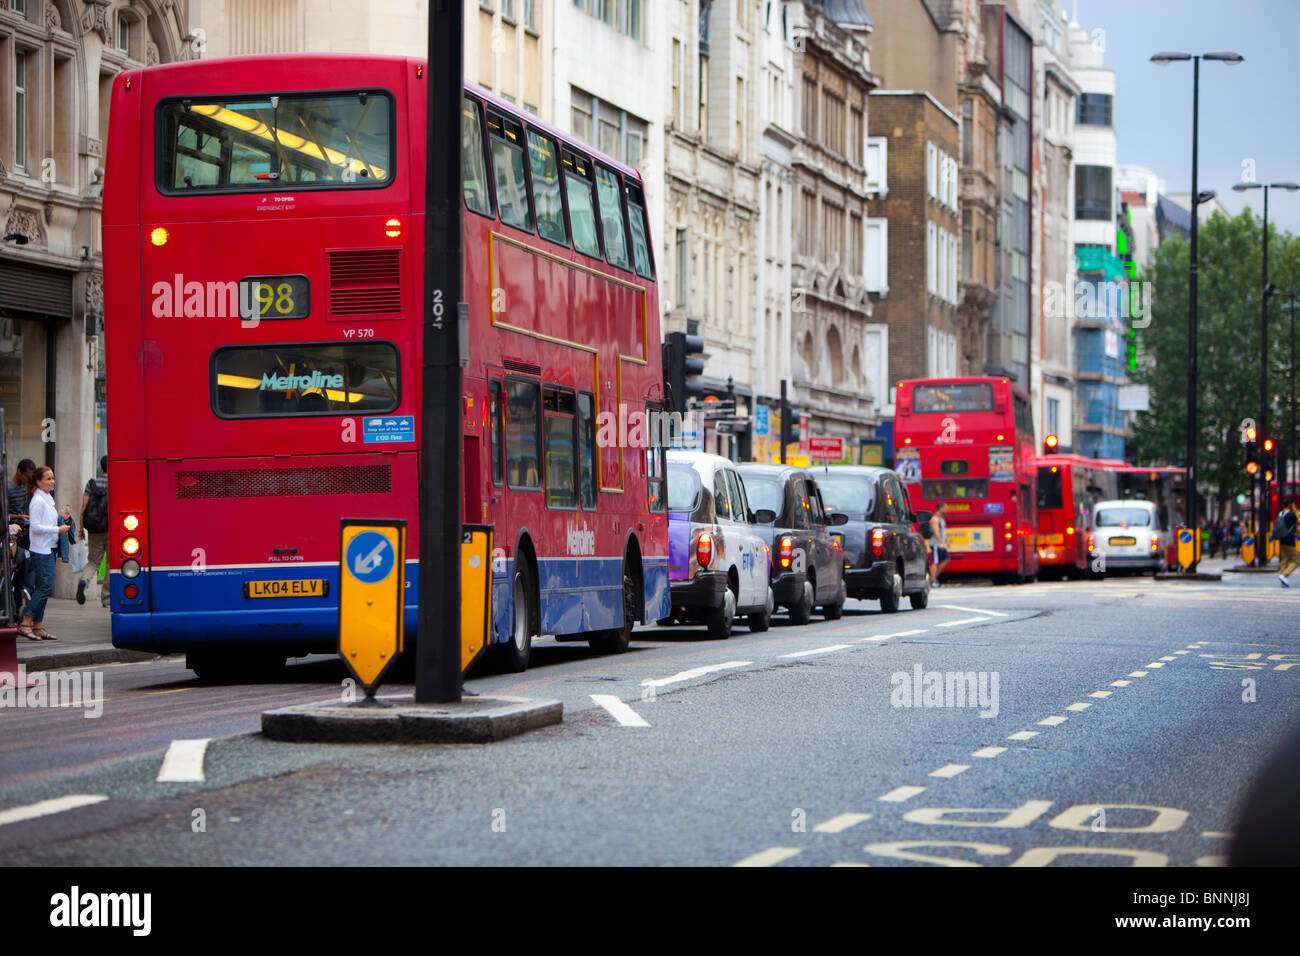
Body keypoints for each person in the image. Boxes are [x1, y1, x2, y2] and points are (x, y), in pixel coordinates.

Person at [16, 466, 72, 640]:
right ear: (38, 482)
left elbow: (48, 521)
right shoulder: (38, 501)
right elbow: (36, 527)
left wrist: (63, 518)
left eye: (53, 478)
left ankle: (38, 626)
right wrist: (58, 529)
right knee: (45, 587)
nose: (52, 481)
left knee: (44, 587)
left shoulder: (47, 499)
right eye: (48, 479)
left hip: (49, 548)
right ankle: (26, 621)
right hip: (41, 550)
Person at [78, 456, 109, 607]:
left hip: (95, 528)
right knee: (111, 562)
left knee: (93, 561)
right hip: (112, 529)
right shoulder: (117, 481)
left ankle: (84, 580)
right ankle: (107, 598)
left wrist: (80, 528)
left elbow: (84, 508)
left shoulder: (92, 483)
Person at [1277, 499, 1298, 587]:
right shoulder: (1291, 515)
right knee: (1297, 560)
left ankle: (1283, 581)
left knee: (1284, 560)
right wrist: (1295, 511)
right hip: (1289, 540)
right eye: (1294, 505)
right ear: (1290, 505)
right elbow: (1299, 521)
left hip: (1282, 540)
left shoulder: (1280, 514)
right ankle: (1284, 575)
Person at [929, 501, 950, 586]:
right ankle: (933, 581)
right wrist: (941, 543)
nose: (946, 510)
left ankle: (932, 579)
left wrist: (946, 541)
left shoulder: (940, 518)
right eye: (945, 508)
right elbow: (936, 532)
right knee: (935, 562)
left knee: (946, 559)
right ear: (940, 508)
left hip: (940, 544)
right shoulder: (935, 519)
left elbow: (941, 532)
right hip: (936, 544)